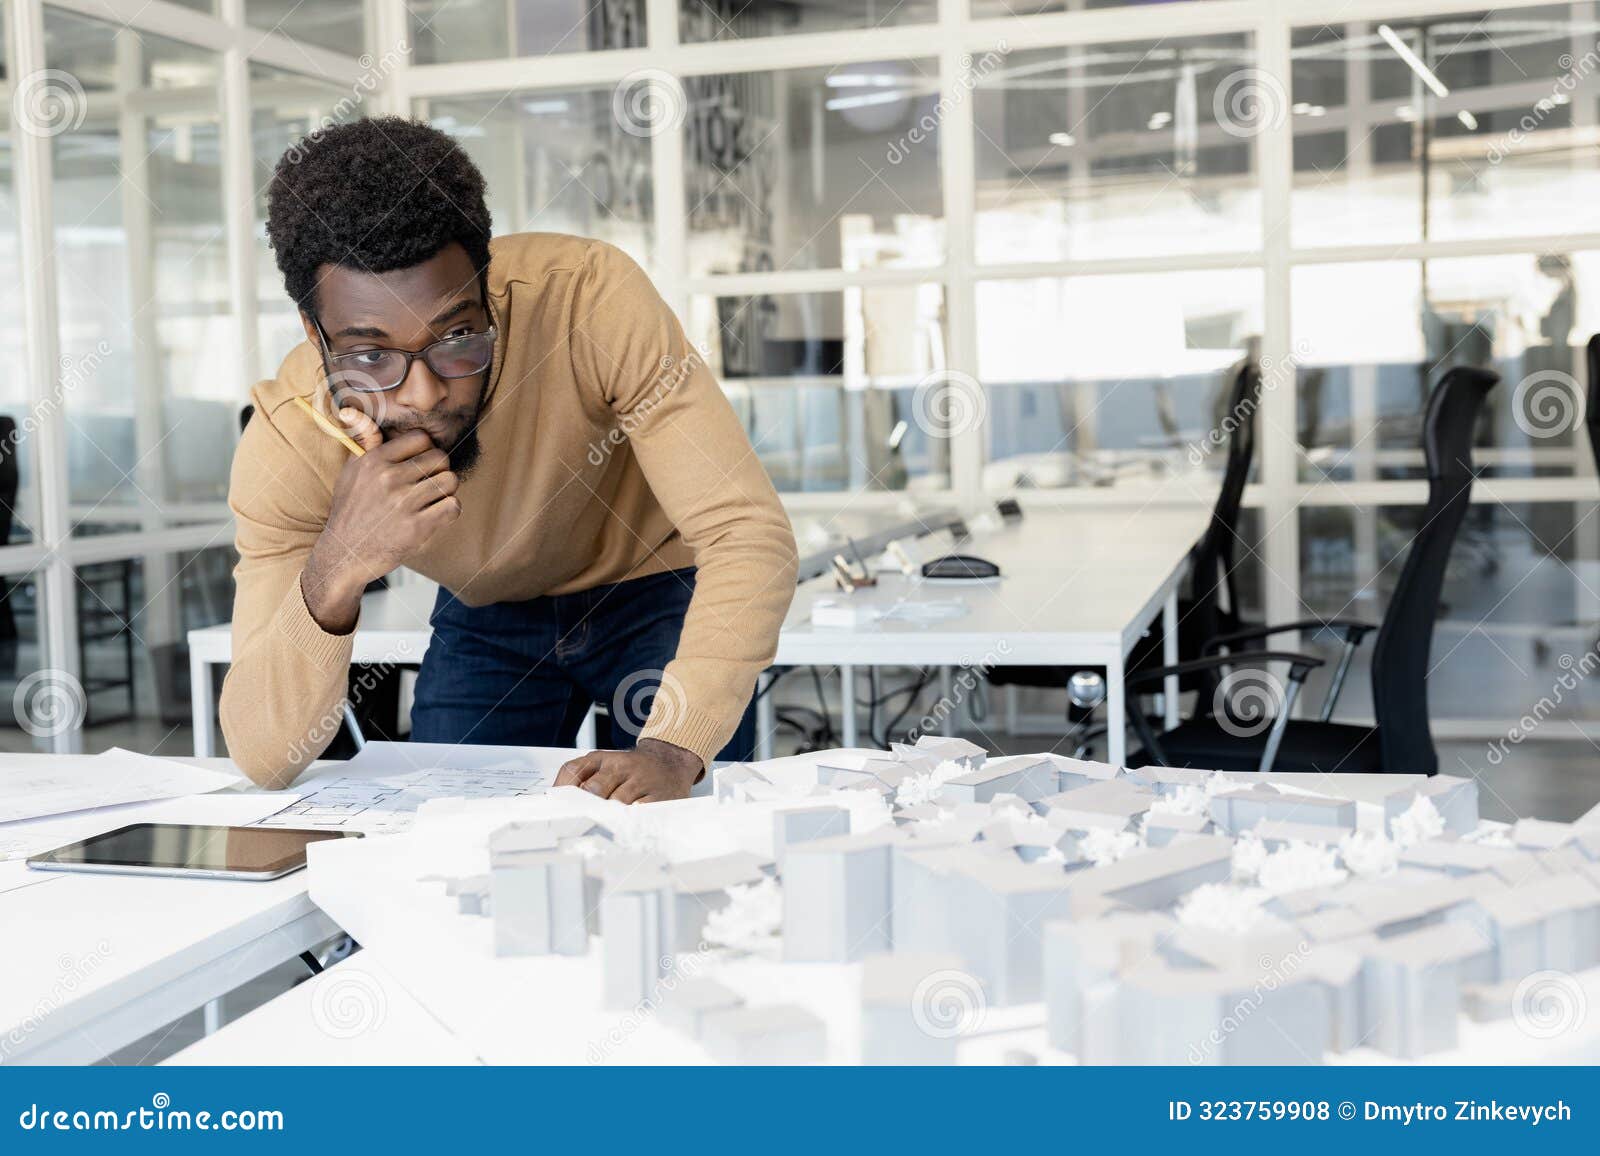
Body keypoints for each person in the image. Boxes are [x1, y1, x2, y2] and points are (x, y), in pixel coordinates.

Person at [219, 117, 797, 802]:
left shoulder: (588, 298)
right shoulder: (290, 436)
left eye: (457, 336)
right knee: (446, 824)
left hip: (653, 587)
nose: (424, 392)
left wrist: (674, 751)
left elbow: (745, 532)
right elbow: (263, 757)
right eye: (371, 354)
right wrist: (337, 566)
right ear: (314, 336)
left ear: (487, 288)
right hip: (486, 611)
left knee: (680, 825)